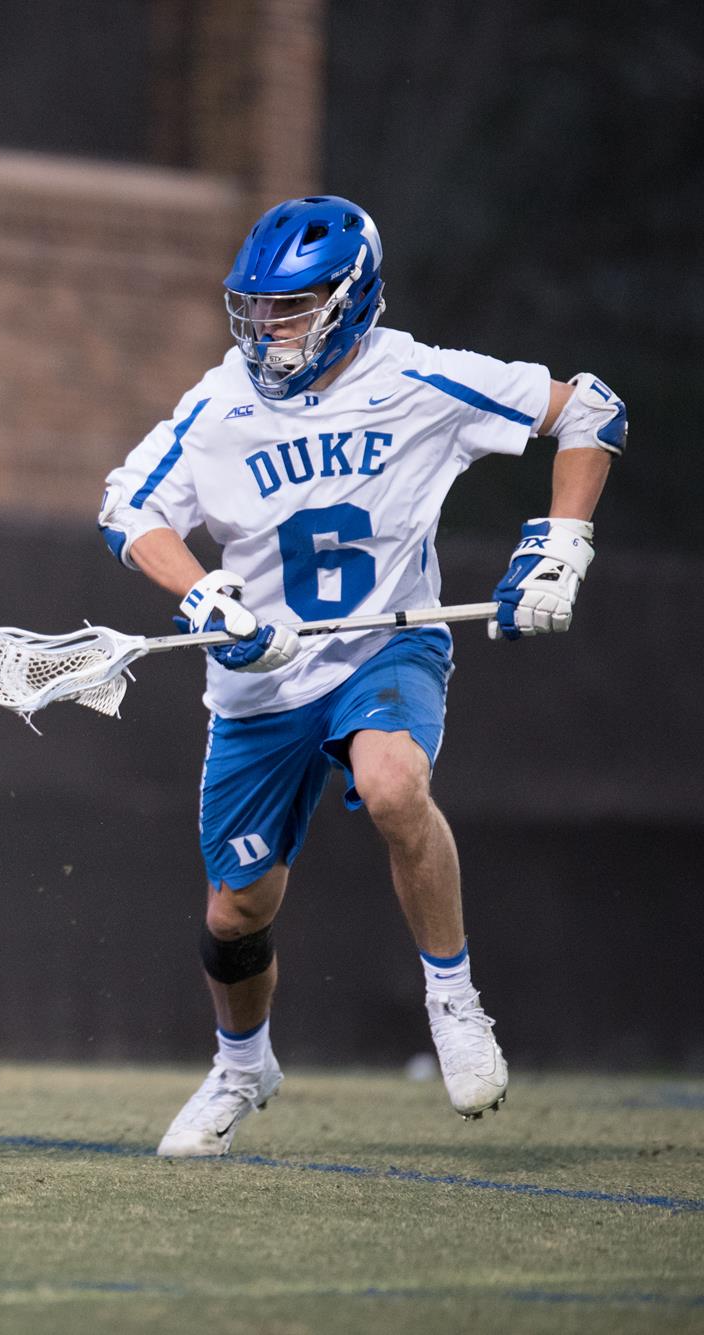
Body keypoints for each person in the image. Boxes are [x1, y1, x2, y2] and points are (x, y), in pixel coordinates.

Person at [96, 195, 625, 1157]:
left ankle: (455, 999)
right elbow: (128, 507)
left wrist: (560, 548)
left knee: (391, 783)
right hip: (259, 685)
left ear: (351, 298)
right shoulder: (221, 405)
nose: (268, 328)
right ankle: (243, 1063)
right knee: (237, 909)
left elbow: (590, 406)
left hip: (388, 642)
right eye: (255, 308)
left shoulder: (417, 376)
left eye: (291, 307)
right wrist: (206, 597)